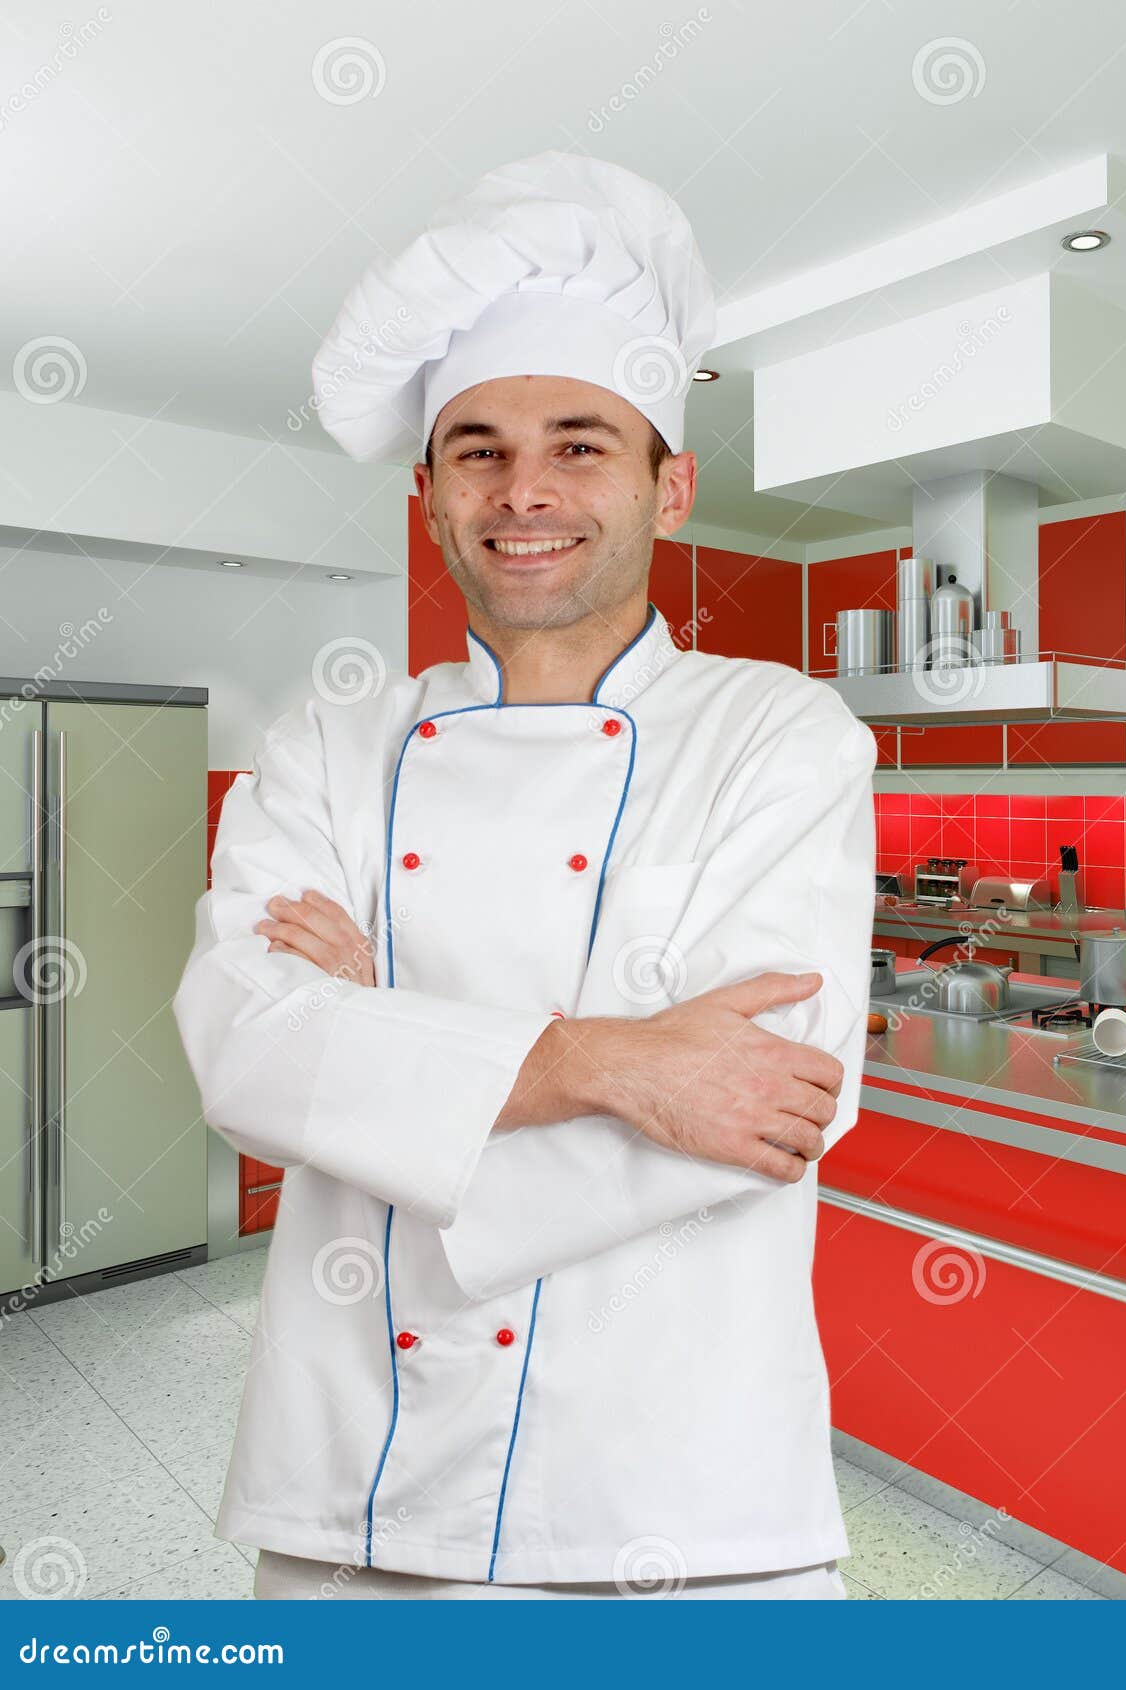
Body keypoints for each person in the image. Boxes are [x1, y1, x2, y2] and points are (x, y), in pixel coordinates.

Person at [173, 153, 877, 1600]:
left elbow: (759, 1100)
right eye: (479, 447)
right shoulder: (329, 734)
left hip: (681, 1500)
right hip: (352, 1494)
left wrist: (380, 1038)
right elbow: (244, 1049)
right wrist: (613, 1059)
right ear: (431, 493)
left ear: (670, 486)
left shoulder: (783, 734)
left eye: (580, 441)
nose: (525, 489)